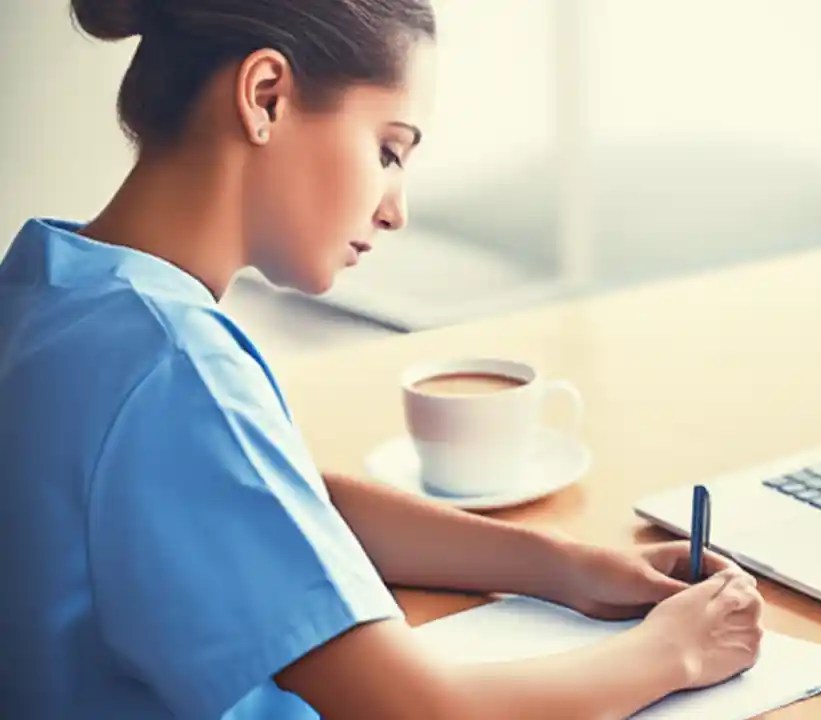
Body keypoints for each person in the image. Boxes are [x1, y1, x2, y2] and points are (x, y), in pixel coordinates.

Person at [0, 1, 764, 718]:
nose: (396, 210)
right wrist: (676, 652)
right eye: (388, 150)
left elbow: (281, 502)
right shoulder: (174, 366)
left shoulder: (50, 287)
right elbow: (420, 709)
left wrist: (566, 567)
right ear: (265, 97)